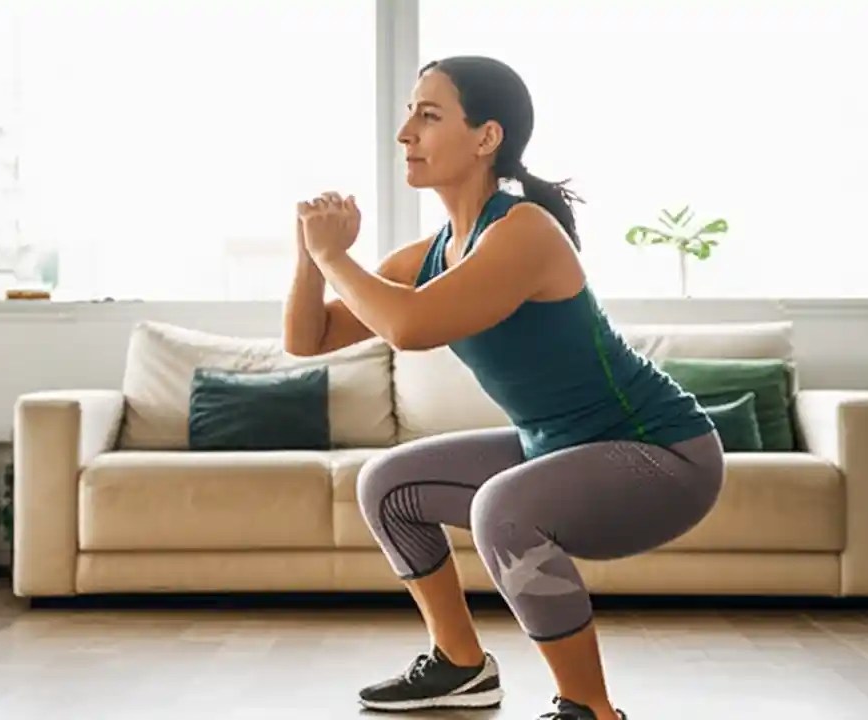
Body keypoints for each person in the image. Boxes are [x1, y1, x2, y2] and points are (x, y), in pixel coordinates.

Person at [283, 55, 725, 720]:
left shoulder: (522, 232)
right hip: (557, 450)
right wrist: (306, 254)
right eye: (409, 114)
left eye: (428, 116)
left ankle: (589, 709)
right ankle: (459, 666)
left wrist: (332, 256)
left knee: (502, 509)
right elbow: (307, 339)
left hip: (662, 456)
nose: (405, 133)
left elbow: (409, 327)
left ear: (486, 137)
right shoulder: (433, 251)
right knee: (387, 486)